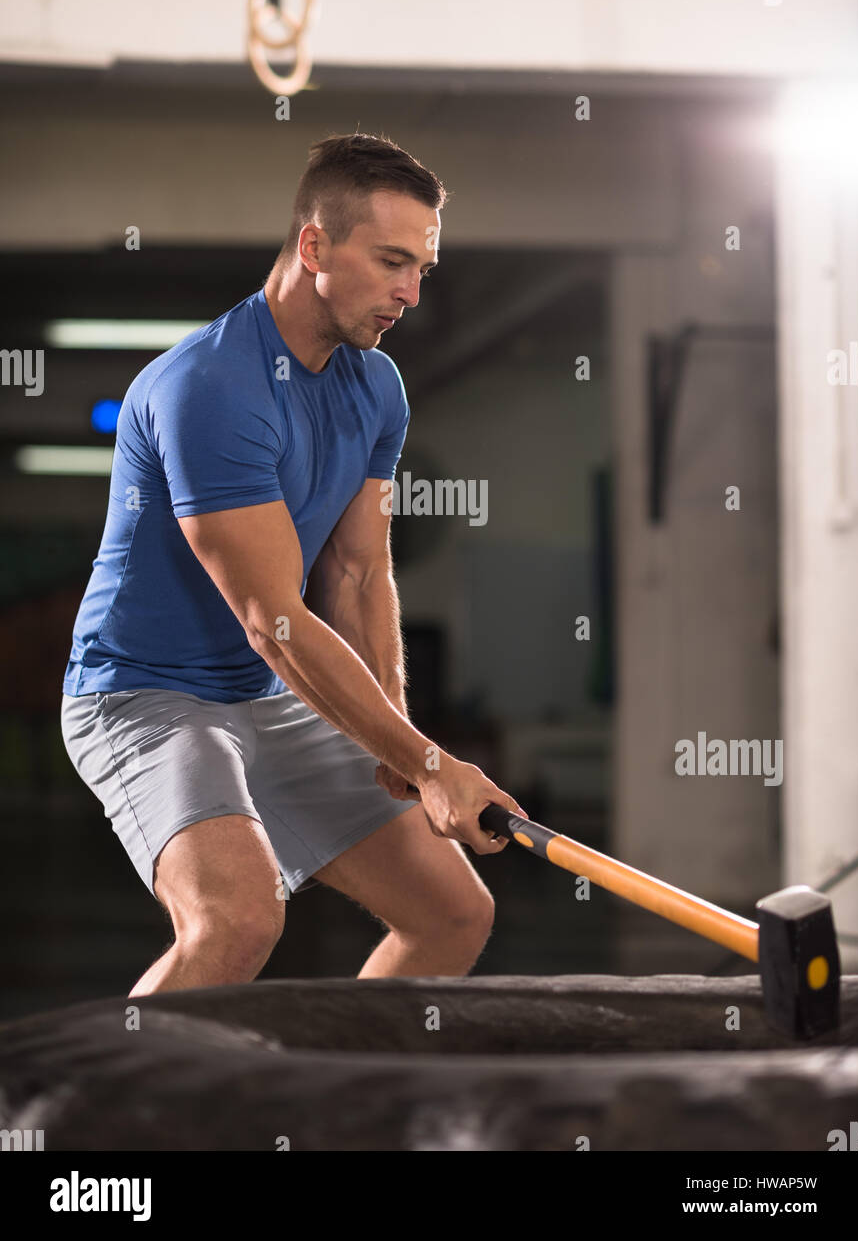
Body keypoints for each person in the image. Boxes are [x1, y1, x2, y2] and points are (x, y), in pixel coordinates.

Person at [61, 131, 527, 995]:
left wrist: (398, 737)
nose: (409, 293)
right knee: (235, 921)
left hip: (267, 694)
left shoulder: (375, 385)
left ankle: (346, 1112)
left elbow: (356, 572)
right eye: (391, 261)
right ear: (314, 245)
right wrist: (431, 766)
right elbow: (272, 620)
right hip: (146, 693)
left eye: (421, 268)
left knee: (453, 914)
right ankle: (107, 1113)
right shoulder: (209, 387)